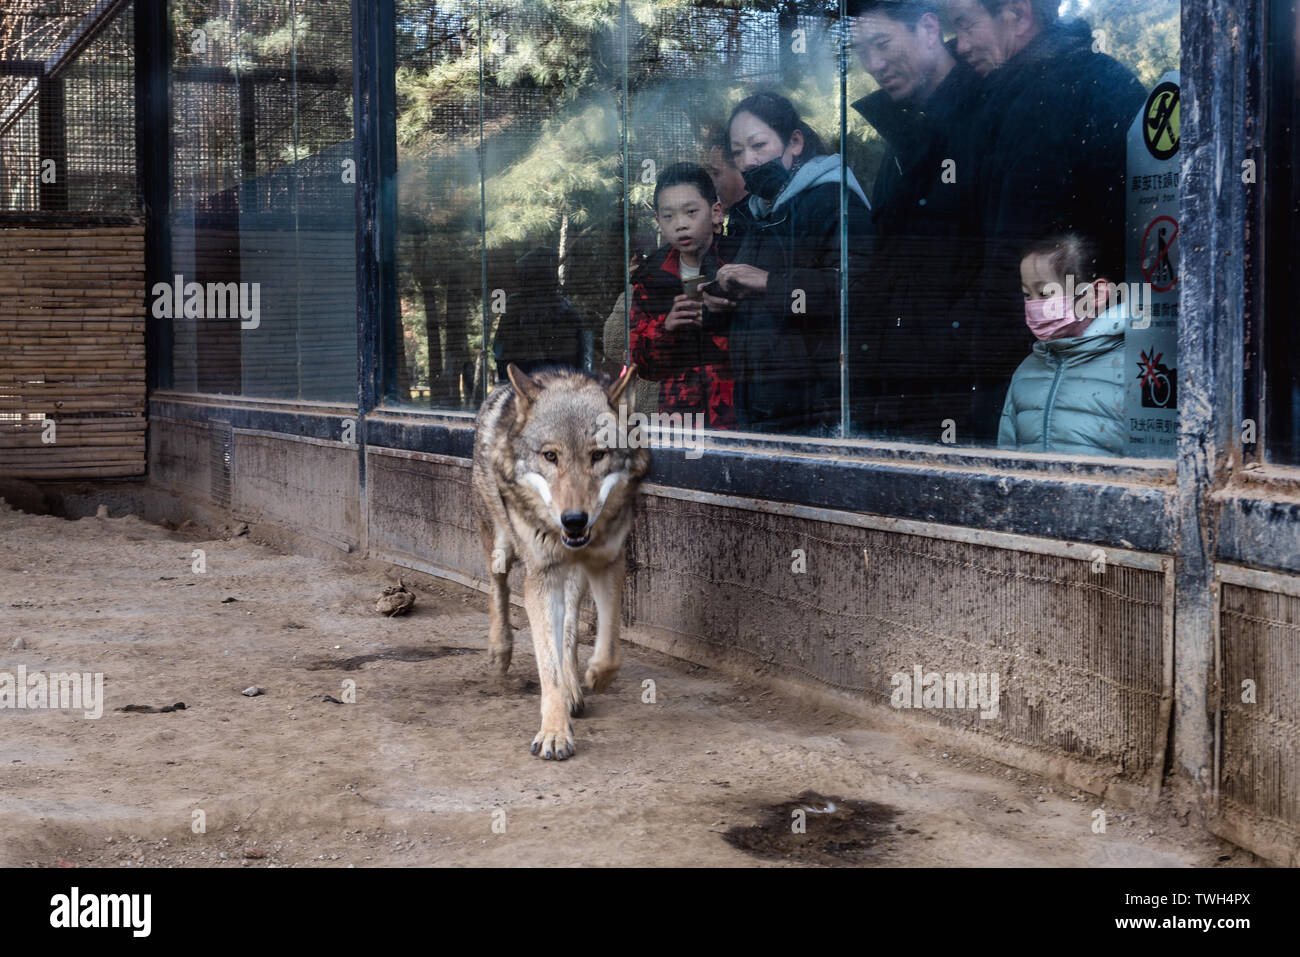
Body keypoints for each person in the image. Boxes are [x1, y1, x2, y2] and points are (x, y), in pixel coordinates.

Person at [945, 0, 1146, 441]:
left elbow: (1143, 229)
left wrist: (1101, 328)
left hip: (1087, 368)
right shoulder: (1000, 102)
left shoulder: (1095, 89)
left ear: (1017, 15)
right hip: (1021, 371)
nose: (959, 46)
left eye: (965, 25)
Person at [847, 0, 986, 441]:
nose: (873, 64)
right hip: (897, 403)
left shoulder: (989, 116)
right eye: (861, 52)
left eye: (882, 43)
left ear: (928, 29)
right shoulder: (899, 143)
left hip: (965, 409)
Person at [704, 92, 873, 434]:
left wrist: (769, 283)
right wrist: (717, 302)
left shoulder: (833, 200)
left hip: (820, 412)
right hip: (763, 404)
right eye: (738, 152)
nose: (748, 161)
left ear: (794, 141)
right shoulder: (759, 212)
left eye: (758, 145)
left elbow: (858, 290)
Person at [998, 234, 1128, 456]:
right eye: (1027, 295)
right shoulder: (1027, 371)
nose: (1034, 306)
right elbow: (1006, 457)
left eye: (1046, 293)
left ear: (1095, 294)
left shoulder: (1132, 367)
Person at [629, 163, 736, 429]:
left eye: (690, 212)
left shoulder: (740, 263)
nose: (680, 225)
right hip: (681, 422)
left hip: (739, 417)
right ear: (658, 223)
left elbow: (768, 344)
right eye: (668, 216)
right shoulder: (650, 279)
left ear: (715, 213)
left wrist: (718, 319)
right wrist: (666, 328)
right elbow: (643, 366)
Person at [491, 246, 585, 380]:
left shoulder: (563, 308)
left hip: (542, 386)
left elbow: (500, 350)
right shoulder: (564, 307)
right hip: (536, 385)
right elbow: (501, 349)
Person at [702, 127, 755, 263]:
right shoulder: (740, 213)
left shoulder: (758, 219)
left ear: (741, 169)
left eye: (716, 173)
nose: (712, 183)